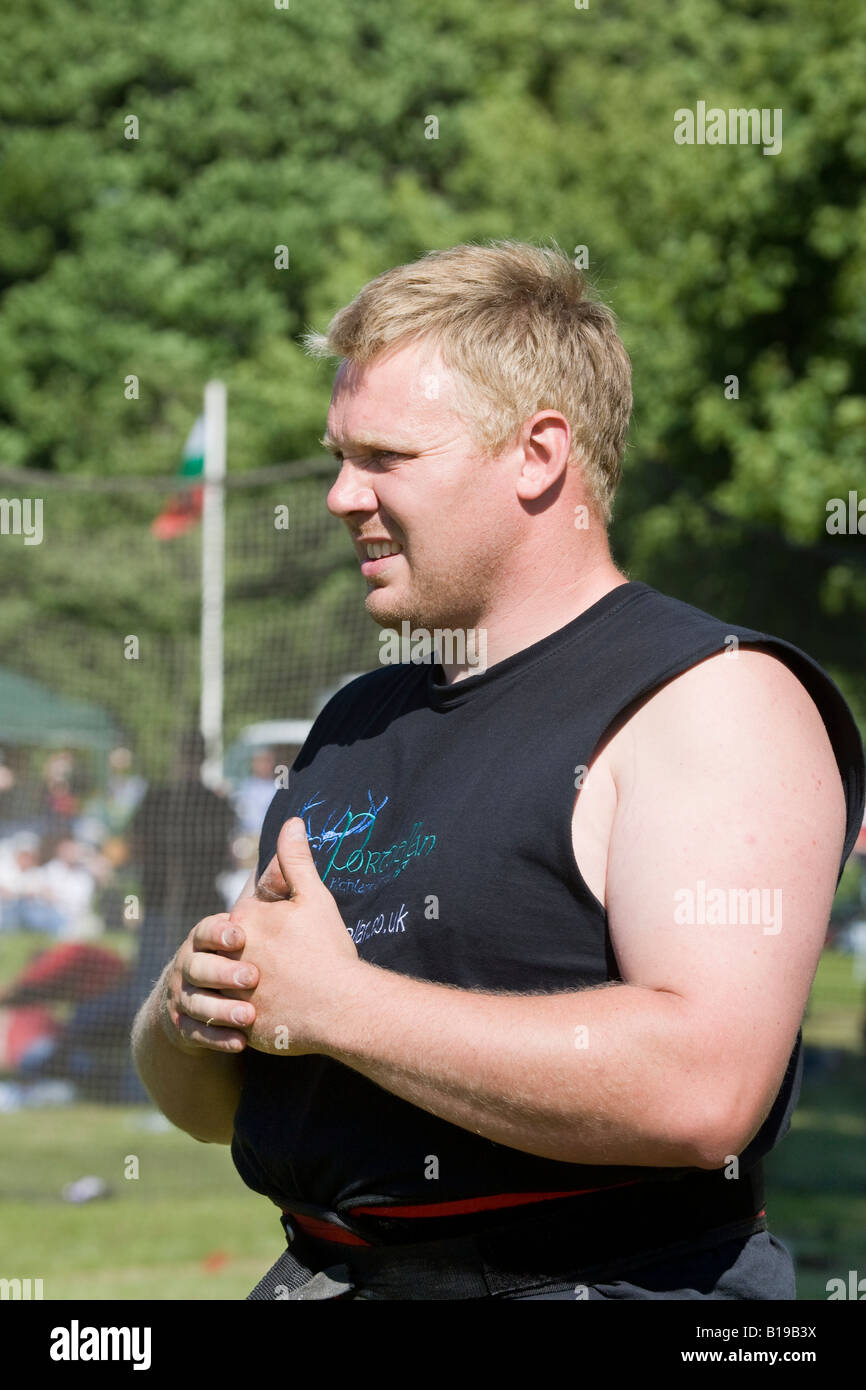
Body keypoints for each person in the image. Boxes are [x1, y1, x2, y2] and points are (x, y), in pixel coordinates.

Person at [132, 241, 865, 1301]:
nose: (340, 495)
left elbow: (703, 1088)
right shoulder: (350, 720)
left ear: (537, 456)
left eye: (385, 457)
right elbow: (211, 1107)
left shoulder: (710, 697)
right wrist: (190, 999)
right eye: (338, 454)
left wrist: (340, 1006)